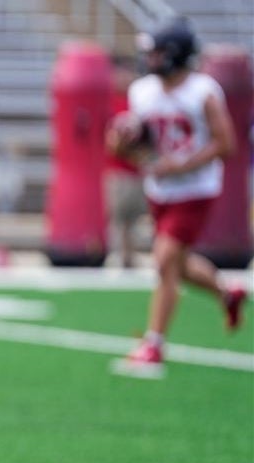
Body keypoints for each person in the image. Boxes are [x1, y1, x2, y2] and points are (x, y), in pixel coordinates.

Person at [107, 15, 245, 370]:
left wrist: (181, 166)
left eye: (157, 54)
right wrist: (123, 142)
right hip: (160, 189)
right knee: (178, 266)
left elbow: (227, 144)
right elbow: (124, 148)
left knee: (165, 258)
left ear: (176, 54)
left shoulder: (203, 91)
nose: (150, 61)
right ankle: (227, 293)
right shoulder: (143, 92)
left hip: (195, 190)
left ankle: (154, 344)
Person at [104, 53, 146, 269]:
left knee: (134, 218)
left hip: (136, 169)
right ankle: (118, 256)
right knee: (117, 217)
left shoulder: (137, 100)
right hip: (117, 169)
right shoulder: (109, 100)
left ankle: (131, 256)